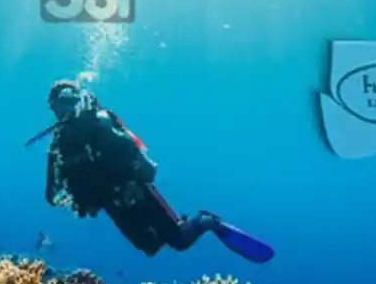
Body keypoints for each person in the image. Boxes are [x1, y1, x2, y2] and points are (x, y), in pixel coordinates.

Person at [27, 80, 274, 263]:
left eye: (68, 104)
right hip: (110, 203)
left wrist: (130, 178)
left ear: (79, 100)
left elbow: (139, 161)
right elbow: (52, 193)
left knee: (178, 240)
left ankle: (207, 221)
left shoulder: (100, 123)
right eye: (58, 107)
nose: (64, 112)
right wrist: (73, 197)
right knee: (149, 247)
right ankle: (190, 223)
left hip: (136, 192)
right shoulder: (59, 145)